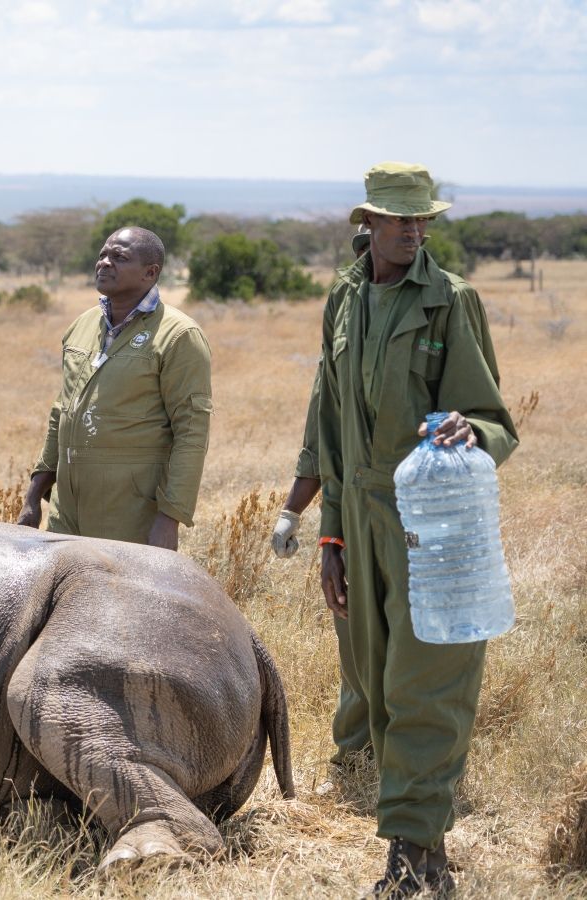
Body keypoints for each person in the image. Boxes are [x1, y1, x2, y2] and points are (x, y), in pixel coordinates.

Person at [314, 162, 518, 898]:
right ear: (366, 223)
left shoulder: (448, 302)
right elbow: (329, 426)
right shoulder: (343, 298)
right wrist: (328, 537)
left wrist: (472, 430)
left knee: (427, 682)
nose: (412, 231)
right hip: (360, 522)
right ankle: (421, 841)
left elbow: (496, 421)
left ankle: (412, 849)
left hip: (432, 524)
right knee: (377, 686)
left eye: (421, 219)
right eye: (398, 219)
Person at [16, 227, 212, 550]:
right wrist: (34, 495)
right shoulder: (80, 327)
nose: (105, 263)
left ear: (151, 273)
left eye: (119, 257)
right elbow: (61, 413)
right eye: (103, 255)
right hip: (66, 515)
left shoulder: (178, 336)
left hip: (131, 518)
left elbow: (192, 431)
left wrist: (168, 519)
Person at [271, 228, 376, 784]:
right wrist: (294, 514)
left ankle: (410, 753)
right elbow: (320, 437)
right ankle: (358, 758)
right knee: (353, 635)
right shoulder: (341, 320)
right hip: (347, 513)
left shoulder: (443, 310)